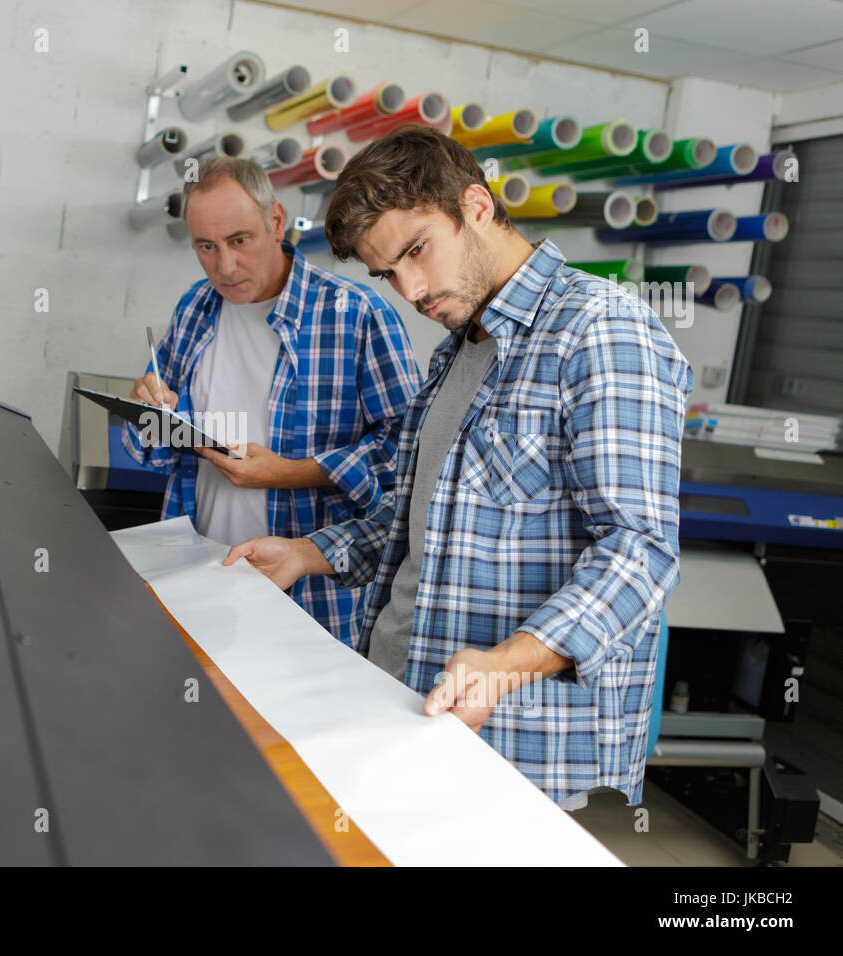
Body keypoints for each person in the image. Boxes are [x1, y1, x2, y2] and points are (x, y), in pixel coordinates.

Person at [225, 125, 692, 808]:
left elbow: (640, 550)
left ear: (475, 205)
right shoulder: (458, 348)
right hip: (399, 694)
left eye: (418, 251)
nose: (411, 289)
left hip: (510, 740)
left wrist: (508, 662)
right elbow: (423, 515)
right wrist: (306, 552)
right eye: (388, 273)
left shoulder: (600, 328)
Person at [122, 157, 420, 649]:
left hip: (312, 604)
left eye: (240, 241)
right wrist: (150, 414)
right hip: (198, 580)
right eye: (206, 247)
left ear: (276, 222)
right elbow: (157, 453)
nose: (225, 266)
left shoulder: (357, 314)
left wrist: (290, 472)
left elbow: (409, 457)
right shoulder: (196, 306)